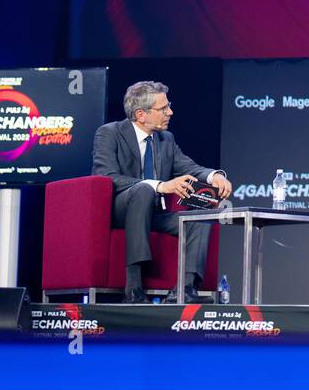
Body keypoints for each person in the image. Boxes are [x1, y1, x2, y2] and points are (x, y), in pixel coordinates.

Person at [92, 81, 232, 304]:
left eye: (169, 106)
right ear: (141, 114)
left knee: (199, 217)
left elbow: (190, 168)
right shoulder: (109, 133)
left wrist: (215, 176)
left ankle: (185, 289)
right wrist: (159, 185)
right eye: (163, 108)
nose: (170, 112)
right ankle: (134, 288)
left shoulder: (166, 139)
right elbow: (106, 177)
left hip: (156, 213)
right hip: (120, 210)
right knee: (143, 191)